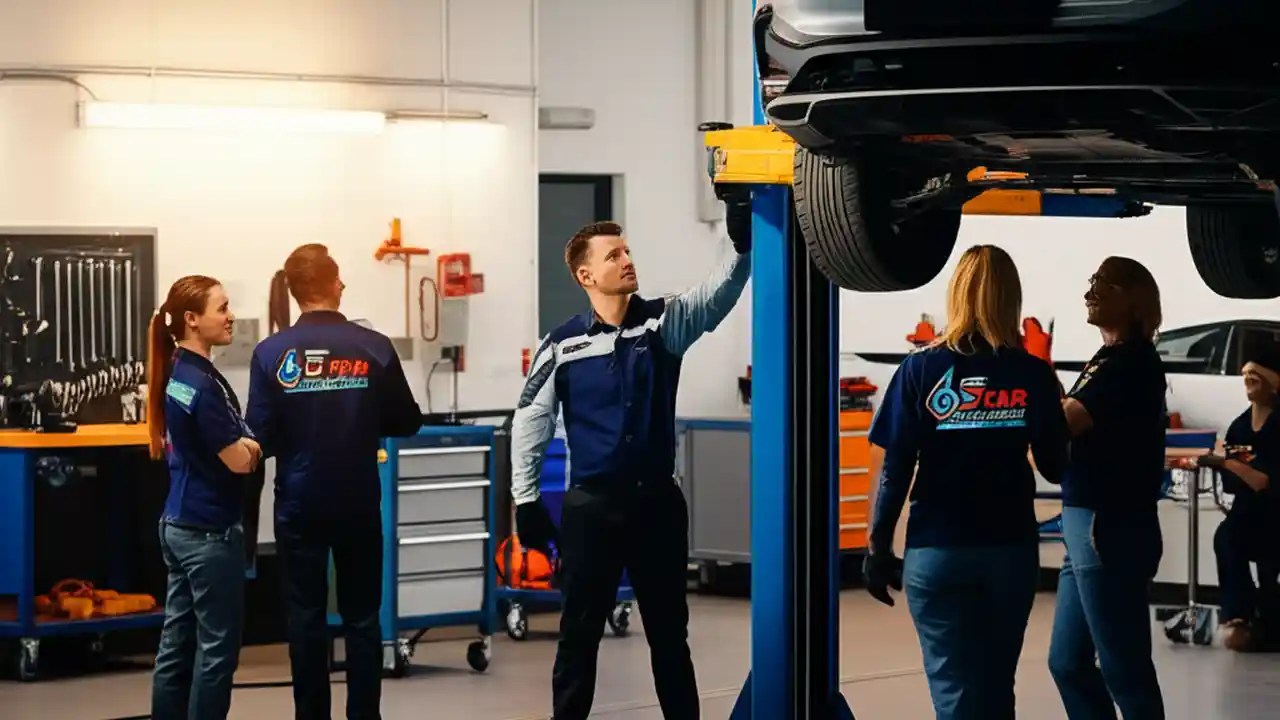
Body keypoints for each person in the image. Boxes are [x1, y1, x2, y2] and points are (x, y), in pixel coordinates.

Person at [510, 192, 753, 720]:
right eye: (613, 255)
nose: (627, 260)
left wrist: (740, 243)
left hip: (656, 507)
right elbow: (530, 417)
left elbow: (720, 293)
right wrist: (524, 499)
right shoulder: (562, 345)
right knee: (578, 637)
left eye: (627, 250)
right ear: (585, 276)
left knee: (670, 635)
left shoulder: (664, 323)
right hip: (591, 510)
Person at [864, 245, 1068, 720]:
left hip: (937, 551)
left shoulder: (919, 369)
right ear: (1010, 299)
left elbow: (897, 469)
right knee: (997, 689)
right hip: (1008, 550)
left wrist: (877, 548)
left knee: (954, 693)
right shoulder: (1033, 374)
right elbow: (1056, 467)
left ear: (956, 295)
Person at [245, 244, 424, 720]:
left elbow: (258, 438)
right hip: (357, 501)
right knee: (363, 618)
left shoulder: (270, 354)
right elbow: (407, 421)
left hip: (299, 504)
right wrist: (363, 416)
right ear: (332, 285)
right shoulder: (374, 347)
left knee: (304, 619)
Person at [1048, 256, 1167, 720]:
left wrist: (1029, 384)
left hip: (1108, 527)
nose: (1091, 290)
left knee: (1124, 669)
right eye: (1092, 280)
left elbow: (1066, 422)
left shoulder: (1128, 363)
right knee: (1068, 662)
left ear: (1133, 299)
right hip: (1086, 525)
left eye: (1106, 283)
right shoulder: (1106, 360)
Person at [148, 276, 261, 720]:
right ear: (192, 320)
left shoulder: (181, 375)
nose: (231, 316)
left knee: (176, 646)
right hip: (209, 532)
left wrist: (244, 440)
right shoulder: (201, 386)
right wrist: (254, 447)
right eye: (223, 308)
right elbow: (237, 458)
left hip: (178, 525)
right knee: (216, 651)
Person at [1199, 349, 1280, 651]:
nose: (1248, 381)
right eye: (1245, 376)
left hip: (1275, 511)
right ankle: (1238, 615)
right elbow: (1236, 484)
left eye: (1254, 376)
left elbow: (1264, 482)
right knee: (1227, 537)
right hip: (1249, 513)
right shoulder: (1240, 427)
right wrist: (1237, 468)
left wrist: (1228, 464)